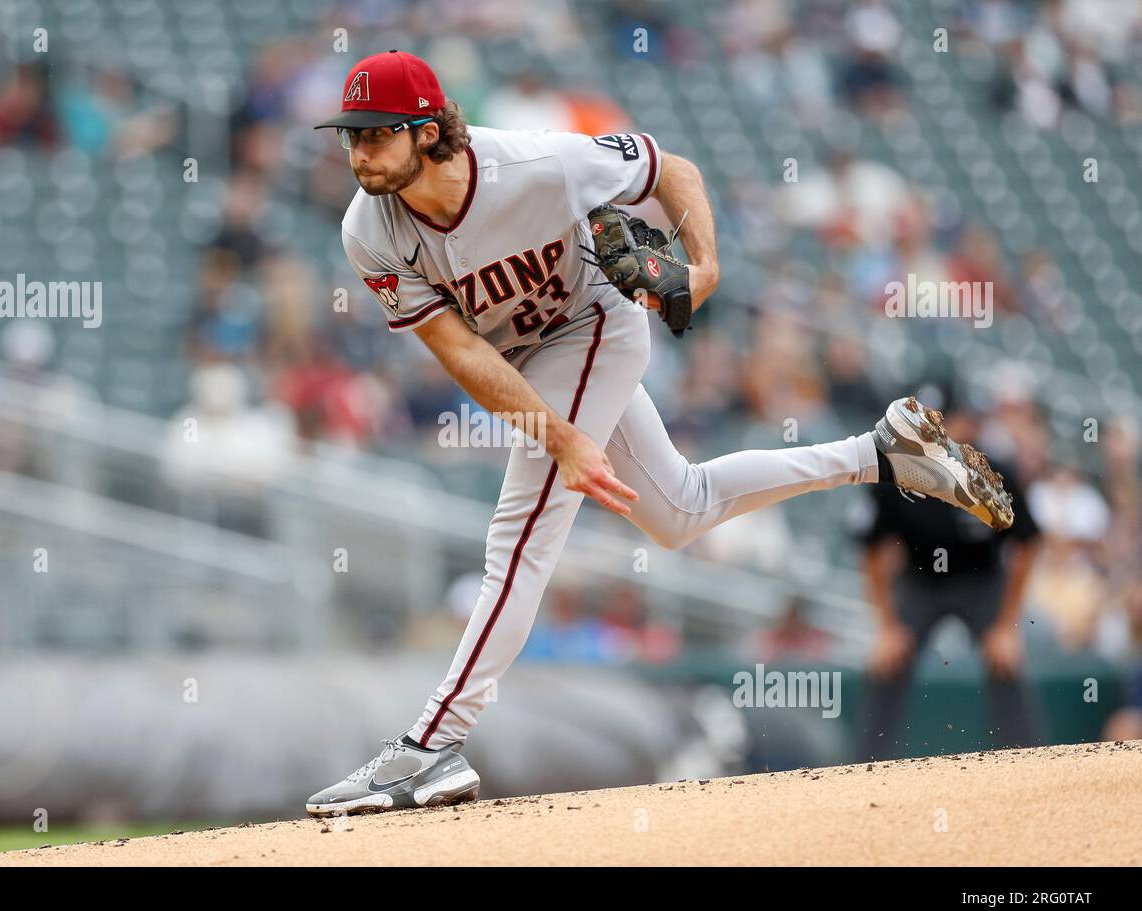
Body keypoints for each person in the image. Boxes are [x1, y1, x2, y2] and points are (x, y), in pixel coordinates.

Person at [304, 50, 1015, 817]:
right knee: (680, 511)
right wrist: (564, 437)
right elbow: (462, 351)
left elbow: (671, 169)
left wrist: (704, 266)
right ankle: (881, 453)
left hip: (593, 328)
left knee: (518, 540)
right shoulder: (367, 230)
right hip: (524, 360)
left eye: (375, 133)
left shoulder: (539, 164)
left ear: (426, 129)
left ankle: (432, 746)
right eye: (350, 135)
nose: (358, 152)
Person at [853, 390, 1042, 761]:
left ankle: (1030, 761)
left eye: (956, 420)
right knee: (889, 660)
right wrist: (887, 626)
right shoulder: (898, 477)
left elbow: (1028, 541)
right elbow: (872, 547)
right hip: (919, 583)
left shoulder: (993, 471)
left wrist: (1006, 625)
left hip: (982, 582)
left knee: (1006, 660)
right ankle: (866, 767)